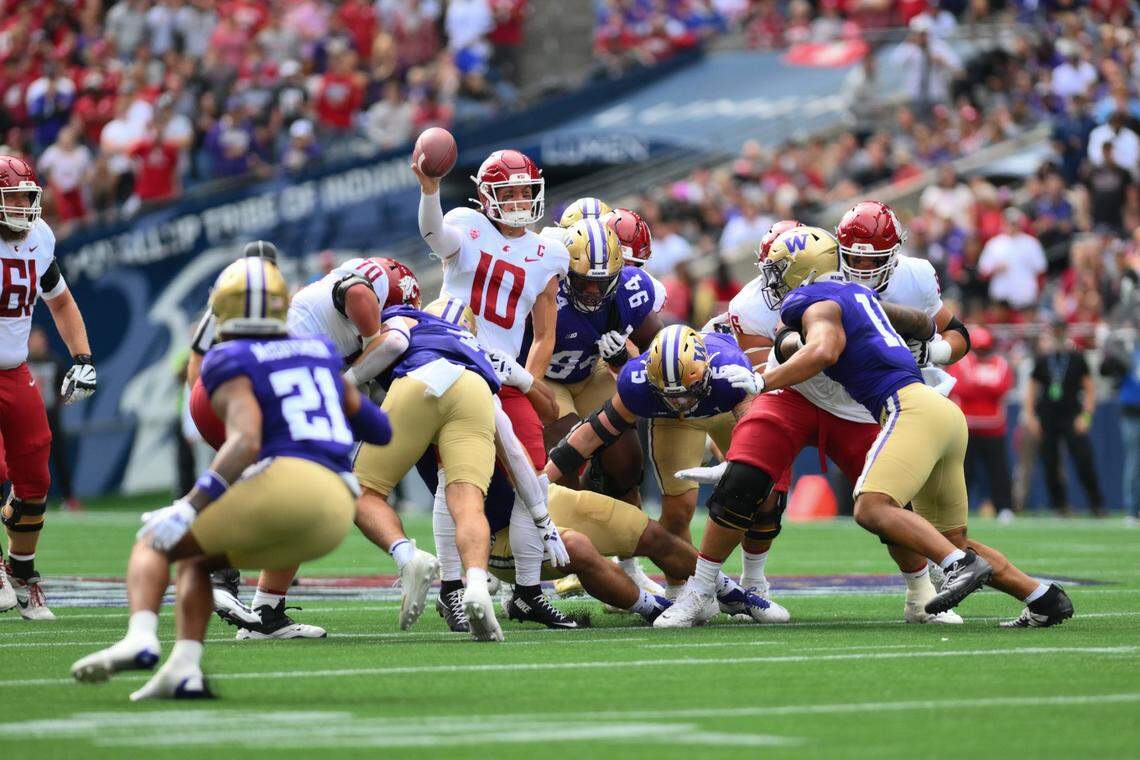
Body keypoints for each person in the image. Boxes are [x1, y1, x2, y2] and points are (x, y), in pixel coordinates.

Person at [658, 226, 1073, 629]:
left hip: (894, 409)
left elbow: (826, 347)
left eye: (777, 271)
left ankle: (941, 578)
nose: (768, 282)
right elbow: (914, 323)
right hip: (929, 407)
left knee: (876, 509)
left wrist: (766, 378)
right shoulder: (851, 293)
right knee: (947, 537)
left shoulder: (822, 295)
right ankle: (1042, 596)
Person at [71, 257, 392, 699]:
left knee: (154, 542)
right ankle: (185, 668)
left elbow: (244, 440)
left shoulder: (229, 357)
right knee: (196, 560)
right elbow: (381, 430)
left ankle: (141, 638)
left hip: (290, 485)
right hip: (337, 511)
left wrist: (190, 505)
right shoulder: (318, 352)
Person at [415, 147, 578, 627]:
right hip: (456, 367)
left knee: (536, 479)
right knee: (459, 480)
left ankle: (528, 591)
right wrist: (429, 190)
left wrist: (527, 379)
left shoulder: (549, 250)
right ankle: (450, 588)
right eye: (509, 193)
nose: (520, 201)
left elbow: (545, 333)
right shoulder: (465, 223)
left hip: (503, 373)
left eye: (527, 191)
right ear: (487, 196)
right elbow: (434, 234)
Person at [351, 297, 570, 640]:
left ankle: (409, 557)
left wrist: (346, 380)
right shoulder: (477, 351)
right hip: (473, 390)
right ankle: (478, 585)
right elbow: (512, 448)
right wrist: (542, 517)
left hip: (419, 379)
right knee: (468, 499)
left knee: (363, 492)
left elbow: (391, 343)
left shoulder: (405, 318)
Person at [542, 324, 788, 624]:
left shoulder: (728, 371)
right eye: (671, 395)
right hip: (676, 423)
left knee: (762, 490)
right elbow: (588, 437)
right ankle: (681, 590)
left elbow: (757, 439)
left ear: (706, 371)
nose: (681, 402)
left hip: (725, 411)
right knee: (677, 509)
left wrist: (736, 465)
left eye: (688, 393)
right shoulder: (639, 383)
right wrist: (540, 481)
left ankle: (753, 581)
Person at [185, 241, 336, 639]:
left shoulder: (228, 300)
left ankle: (257, 602)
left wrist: (203, 403)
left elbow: (198, 362)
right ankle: (218, 570)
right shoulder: (262, 302)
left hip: (227, 397)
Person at [539, 217, 666, 594]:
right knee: (566, 453)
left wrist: (625, 361)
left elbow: (659, 349)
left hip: (590, 371)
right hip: (545, 377)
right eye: (584, 281)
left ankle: (628, 566)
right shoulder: (543, 289)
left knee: (627, 463)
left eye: (602, 281)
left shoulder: (632, 289)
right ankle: (573, 558)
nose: (593, 291)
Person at [0, 156, 96, 620]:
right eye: (12, 198)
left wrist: (82, 357)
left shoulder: (38, 240)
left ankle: (21, 572)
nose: (21, 207)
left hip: (15, 371)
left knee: (36, 475)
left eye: (26, 197)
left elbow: (60, 302)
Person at [1022, 319, 1104, 516]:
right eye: (1055, 331)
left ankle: (1096, 503)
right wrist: (1031, 416)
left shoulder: (1077, 358)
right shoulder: (1043, 360)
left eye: (1061, 331)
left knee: (1083, 460)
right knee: (1050, 462)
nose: (1058, 334)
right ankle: (1059, 505)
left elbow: (1090, 389)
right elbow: (1032, 390)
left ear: (1066, 332)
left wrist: (1086, 416)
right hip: (1048, 417)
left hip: (1072, 415)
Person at [948, 326, 1016, 521]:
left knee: (998, 470)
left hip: (994, 428)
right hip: (967, 427)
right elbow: (960, 387)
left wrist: (977, 386)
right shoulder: (962, 363)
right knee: (963, 472)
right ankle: (957, 511)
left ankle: (1004, 507)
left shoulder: (1000, 363)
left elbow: (1001, 388)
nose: (982, 353)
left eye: (985, 349)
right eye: (978, 349)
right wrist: (984, 387)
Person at [26, 327, 78, 510]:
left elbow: (64, 388)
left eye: (41, 339)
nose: (38, 343)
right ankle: (25, 499)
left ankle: (69, 498)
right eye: (34, 339)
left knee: (59, 458)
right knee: (26, 461)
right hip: (27, 420)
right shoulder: (21, 363)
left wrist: (58, 402)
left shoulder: (54, 361)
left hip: (51, 418)